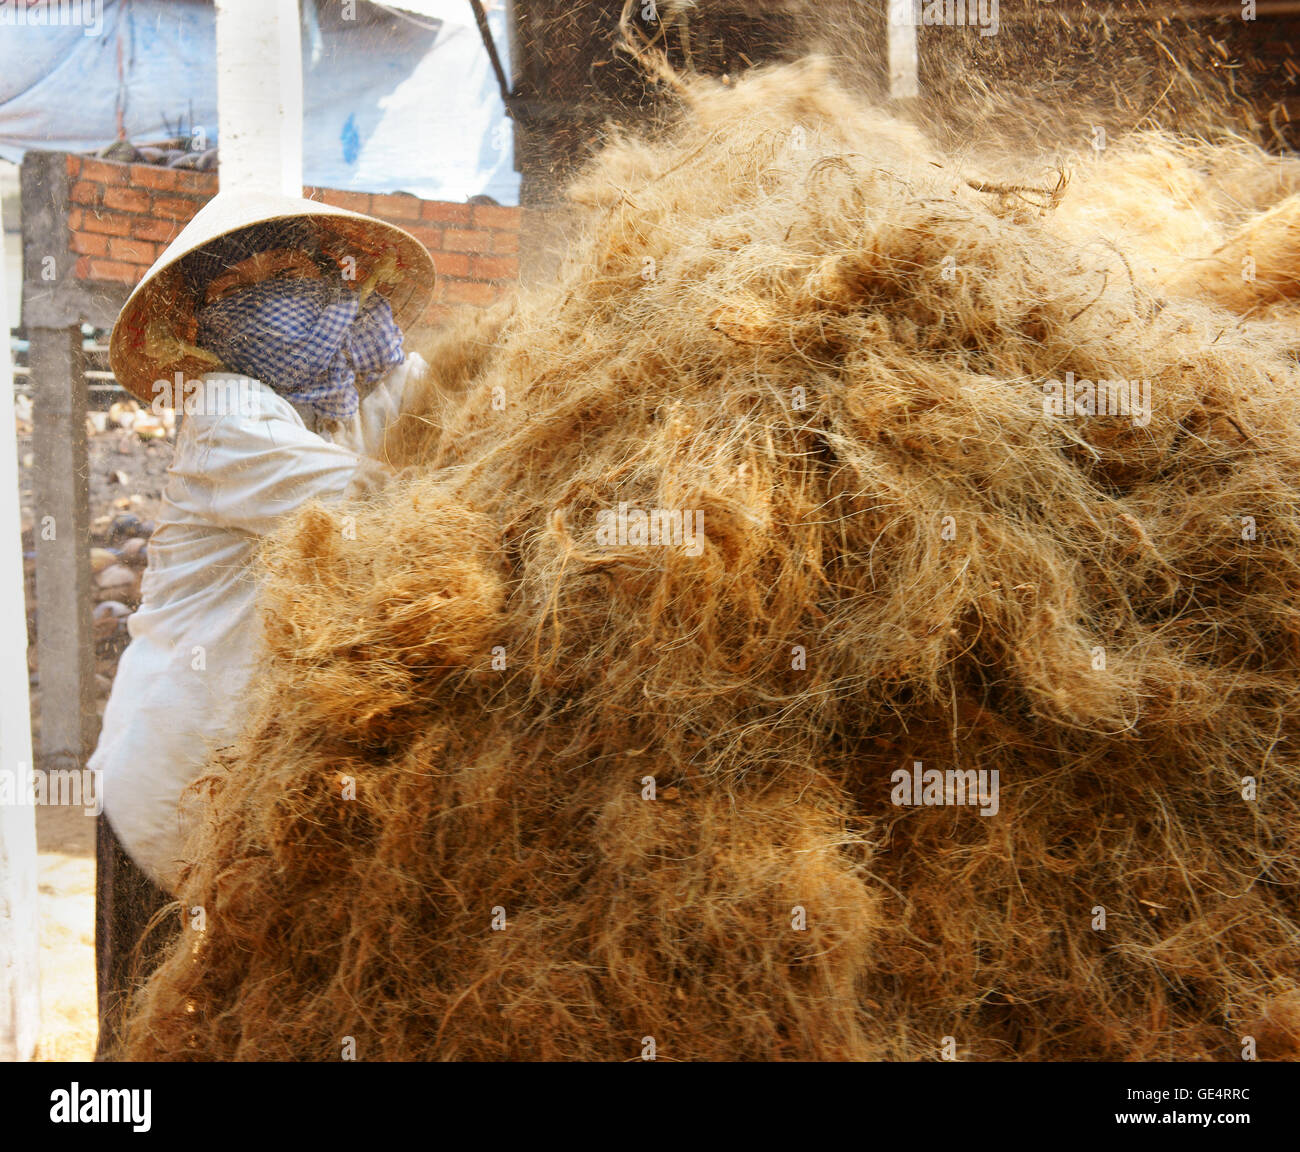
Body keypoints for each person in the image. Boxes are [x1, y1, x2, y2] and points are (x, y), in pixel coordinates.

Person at [91, 191, 435, 1058]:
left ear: (335, 285)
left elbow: (453, 429)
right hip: (168, 788)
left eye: (284, 274)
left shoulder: (361, 399)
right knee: (136, 1041)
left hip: (272, 802)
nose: (266, 298)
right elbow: (386, 508)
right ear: (207, 324)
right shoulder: (226, 412)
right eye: (234, 290)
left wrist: (403, 369)